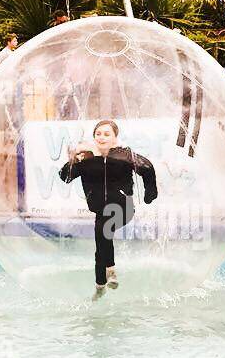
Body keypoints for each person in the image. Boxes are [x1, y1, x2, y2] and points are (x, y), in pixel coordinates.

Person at [59, 120, 157, 299]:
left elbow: (148, 168)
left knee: (103, 230)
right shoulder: (86, 158)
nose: (102, 137)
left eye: (106, 134)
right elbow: (64, 177)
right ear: (94, 137)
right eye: (98, 134)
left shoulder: (124, 156)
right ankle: (100, 285)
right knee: (101, 239)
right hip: (102, 211)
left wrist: (150, 195)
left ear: (114, 138)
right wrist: (72, 159)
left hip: (123, 208)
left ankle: (109, 272)